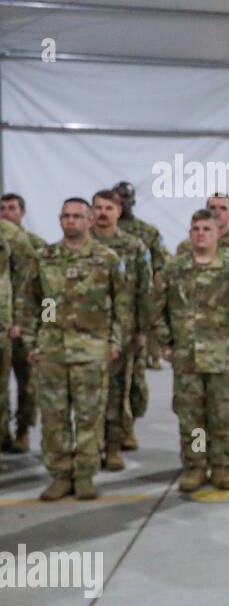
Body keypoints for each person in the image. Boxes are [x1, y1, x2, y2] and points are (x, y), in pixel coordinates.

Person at [25, 199, 123, 501]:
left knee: (88, 417)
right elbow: (29, 302)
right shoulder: (45, 257)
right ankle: (60, 474)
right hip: (52, 349)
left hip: (91, 350)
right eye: (65, 216)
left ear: (90, 221)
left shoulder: (106, 259)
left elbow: (121, 304)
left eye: (77, 216)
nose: (70, 221)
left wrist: (114, 341)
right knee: (53, 417)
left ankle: (84, 475)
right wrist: (32, 342)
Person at [155, 209, 229, 491]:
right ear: (190, 234)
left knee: (222, 415)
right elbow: (157, 308)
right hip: (186, 357)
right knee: (192, 417)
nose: (201, 233)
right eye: (196, 228)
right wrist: (165, 342)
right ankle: (196, 466)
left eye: (206, 229)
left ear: (217, 234)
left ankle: (222, 466)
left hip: (223, 356)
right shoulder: (174, 269)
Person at [89, 189, 151, 470]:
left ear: (118, 212)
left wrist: (142, 330)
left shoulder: (134, 246)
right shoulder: (81, 244)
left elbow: (144, 291)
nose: (103, 213)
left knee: (116, 392)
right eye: (98, 208)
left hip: (122, 334)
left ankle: (113, 446)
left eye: (108, 208)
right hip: (84, 333)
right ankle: (91, 447)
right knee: (87, 396)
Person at [115, 181, 168, 381]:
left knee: (134, 373)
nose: (122, 201)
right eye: (118, 197)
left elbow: (161, 264)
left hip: (137, 299)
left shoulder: (147, 232)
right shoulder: (95, 232)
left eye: (125, 197)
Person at [0, 198, 37, 453]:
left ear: (22, 212)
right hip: (3, 326)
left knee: (27, 383)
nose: (6, 213)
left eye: (12, 208)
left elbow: (41, 290)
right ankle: (3, 434)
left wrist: (30, 323)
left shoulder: (32, 243)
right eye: (2, 209)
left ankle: (23, 431)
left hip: (24, 327)